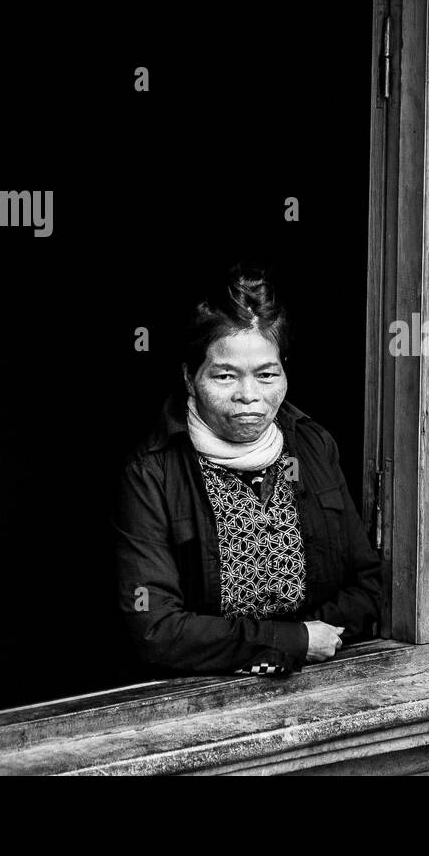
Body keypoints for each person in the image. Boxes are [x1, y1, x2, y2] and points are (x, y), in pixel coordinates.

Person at [113, 266, 381, 677]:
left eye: (267, 375)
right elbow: (156, 627)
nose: (249, 397)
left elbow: (369, 583)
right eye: (224, 376)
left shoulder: (312, 447)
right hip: (199, 704)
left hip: (322, 685)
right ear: (190, 376)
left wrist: (313, 639)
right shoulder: (153, 474)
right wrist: (294, 641)